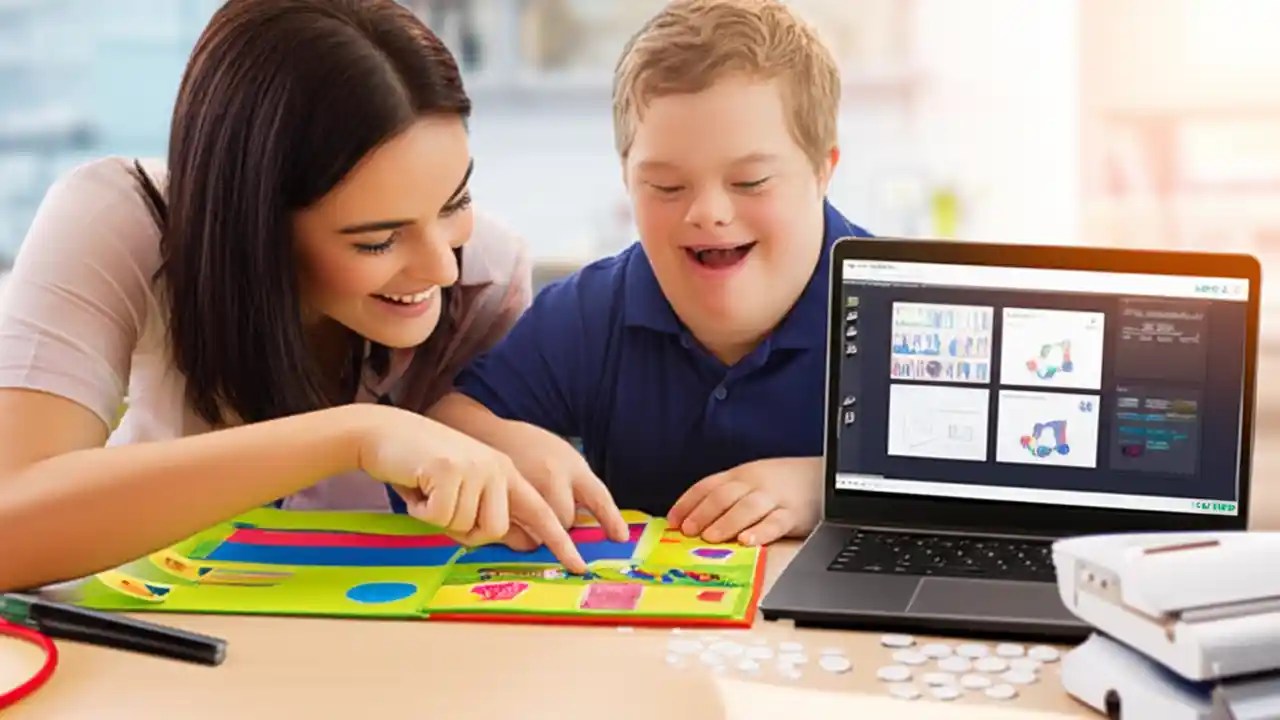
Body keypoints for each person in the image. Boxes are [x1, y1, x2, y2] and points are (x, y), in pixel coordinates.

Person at [0, 0, 626, 593]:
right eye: (378, 240)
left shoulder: (483, 273)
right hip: (159, 639)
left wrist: (499, 440)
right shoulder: (121, 219)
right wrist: (354, 434)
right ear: (257, 224)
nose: (440, 265)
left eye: (456, 201)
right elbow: (11, 530)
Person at [430, 0, 872, 548]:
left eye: (752, 181)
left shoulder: (894, 307)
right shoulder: (592, 314)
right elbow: (446, 423)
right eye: (666, 186)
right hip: (637, 626)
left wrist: (823, 488)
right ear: (627, 179)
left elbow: (988, 483)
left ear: (823, 171)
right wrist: (502, 443)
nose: (708, 212)